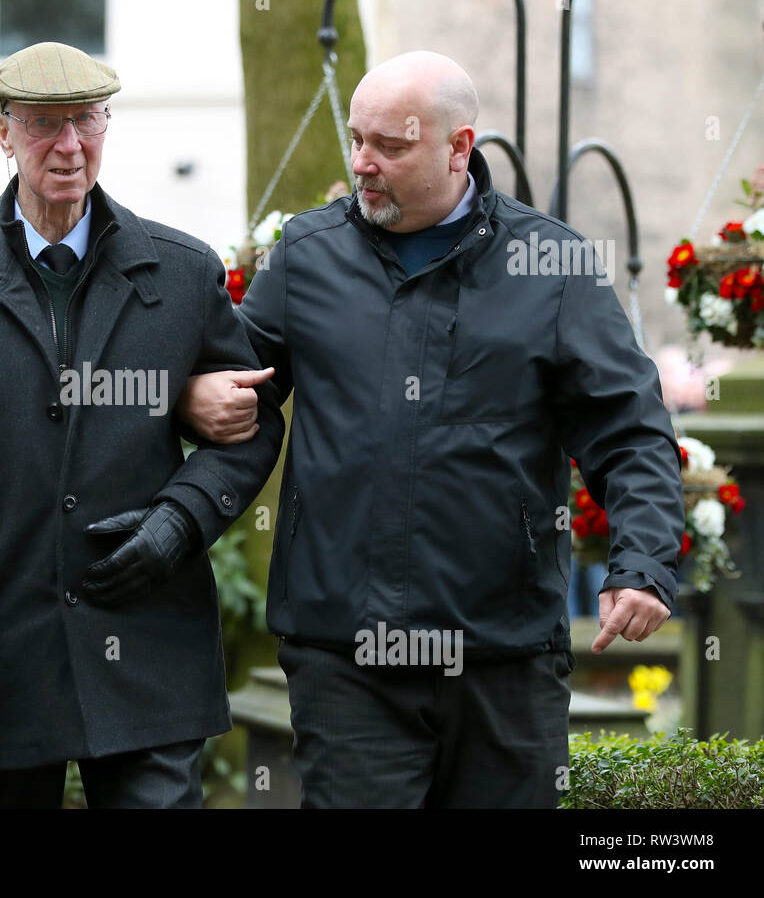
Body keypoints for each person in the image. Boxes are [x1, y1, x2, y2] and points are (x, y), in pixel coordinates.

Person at [178, 51, 684, 808]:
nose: (362, 163)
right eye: (356, 139)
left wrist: (642, 562)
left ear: (459, 146)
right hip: (345, 654)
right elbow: (242, 373)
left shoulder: (553, 265)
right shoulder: (308, 256)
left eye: (390, 144)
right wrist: (192, 391)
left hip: (505, 656)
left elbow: (630, 428)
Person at [0, 41, 284, 808]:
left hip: (149, 647)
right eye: (43, 125)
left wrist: (180, 519)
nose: (69, 146)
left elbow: (251, 424)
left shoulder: (183, 270)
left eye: (86, 120)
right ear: (2, 133)